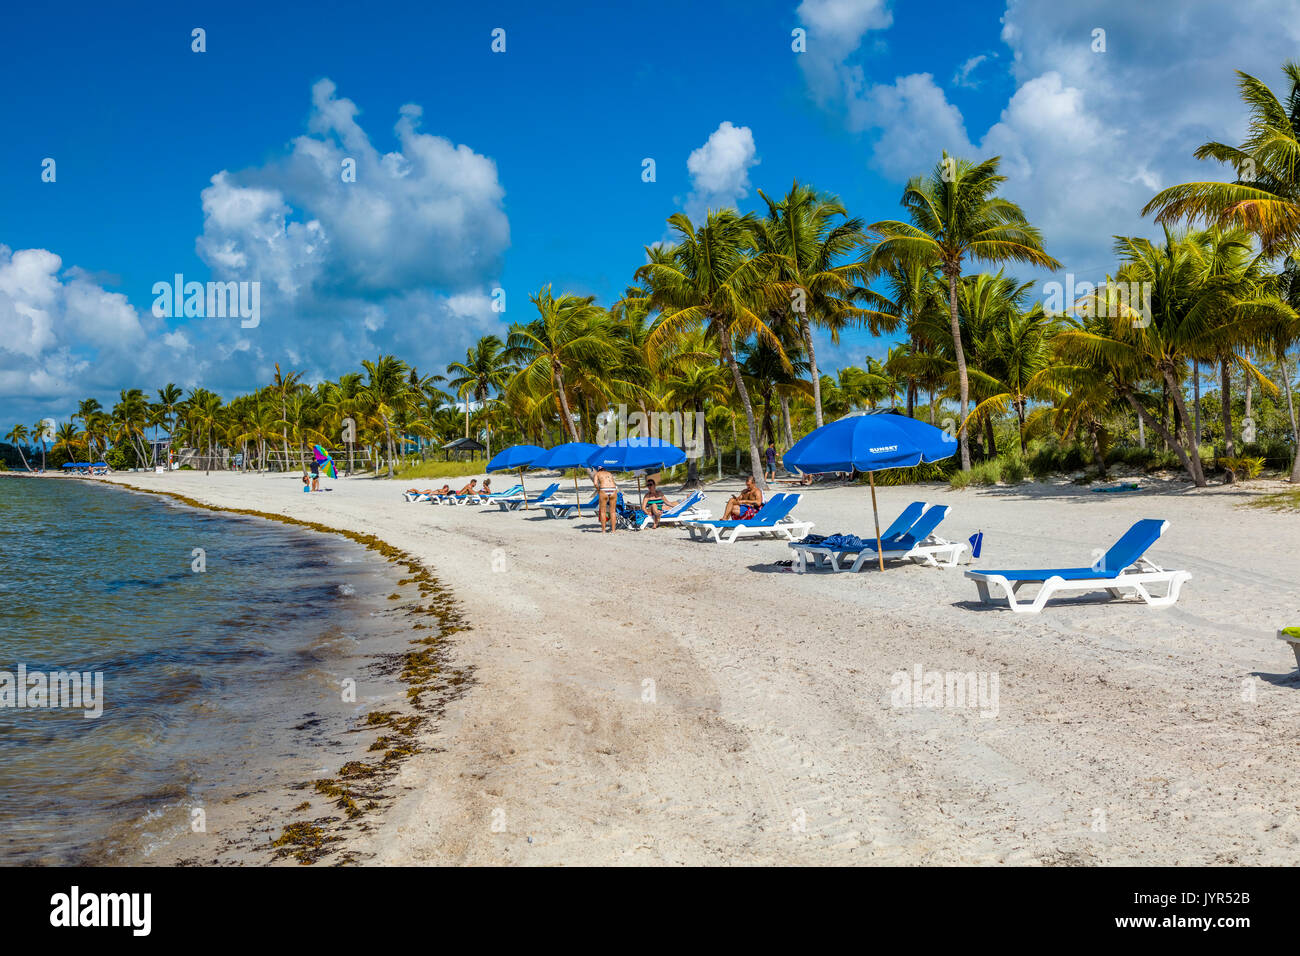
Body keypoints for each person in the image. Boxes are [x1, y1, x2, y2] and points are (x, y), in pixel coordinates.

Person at [594, 465, 618, 532]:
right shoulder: (609, 473)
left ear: (598, 469)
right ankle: (613, 530)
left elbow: (595, 483)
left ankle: (603, 530)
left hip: (604, 489)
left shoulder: (597, 474)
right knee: (613, 511)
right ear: (604, 469)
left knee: (603, 511)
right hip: (613, 489)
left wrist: (598, 490)